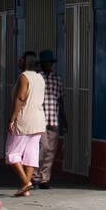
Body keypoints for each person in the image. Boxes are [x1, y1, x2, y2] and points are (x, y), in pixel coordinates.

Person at [5, 57, 46, 196]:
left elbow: (20, 98)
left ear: (26, 63)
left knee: (12, 153)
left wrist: (12, 119)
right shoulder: (40, 78)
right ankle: (25, 188)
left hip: (24, 119)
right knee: (31, 155)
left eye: (22, 59)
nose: (19, 60)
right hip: (39, 120)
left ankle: (25, 182)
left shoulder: (24, 76)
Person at [33, 48, 65, 189]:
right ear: (41, 63)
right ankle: (34, 176)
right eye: (46, 62)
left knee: (51, 150)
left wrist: (64, 119)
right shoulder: (36, 78)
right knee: (41, 148)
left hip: (53, 118)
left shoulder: (57, 78)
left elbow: (60, 100)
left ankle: (45, 179)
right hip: (38, 119)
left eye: (50, 63)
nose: (48, 65)